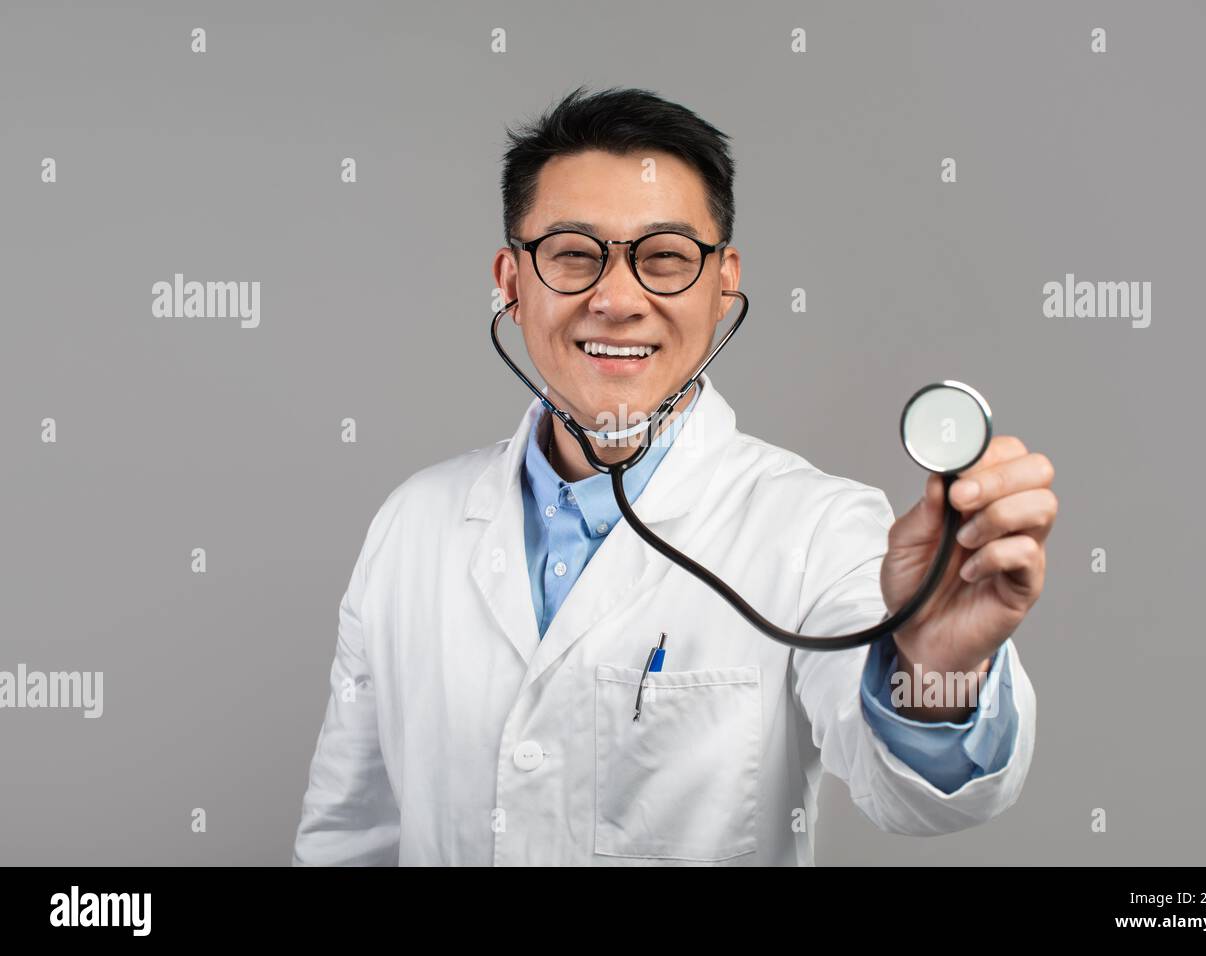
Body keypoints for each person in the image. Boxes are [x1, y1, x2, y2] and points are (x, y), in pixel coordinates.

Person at [292, 86, 1058, 866]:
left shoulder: (818, 532)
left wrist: (934, 672)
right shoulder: (412, 525)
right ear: (512, 283)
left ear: (723, 283)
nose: (617, 300)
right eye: (571, 254)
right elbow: (348, 838)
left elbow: (912, 799)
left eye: (664, 258)